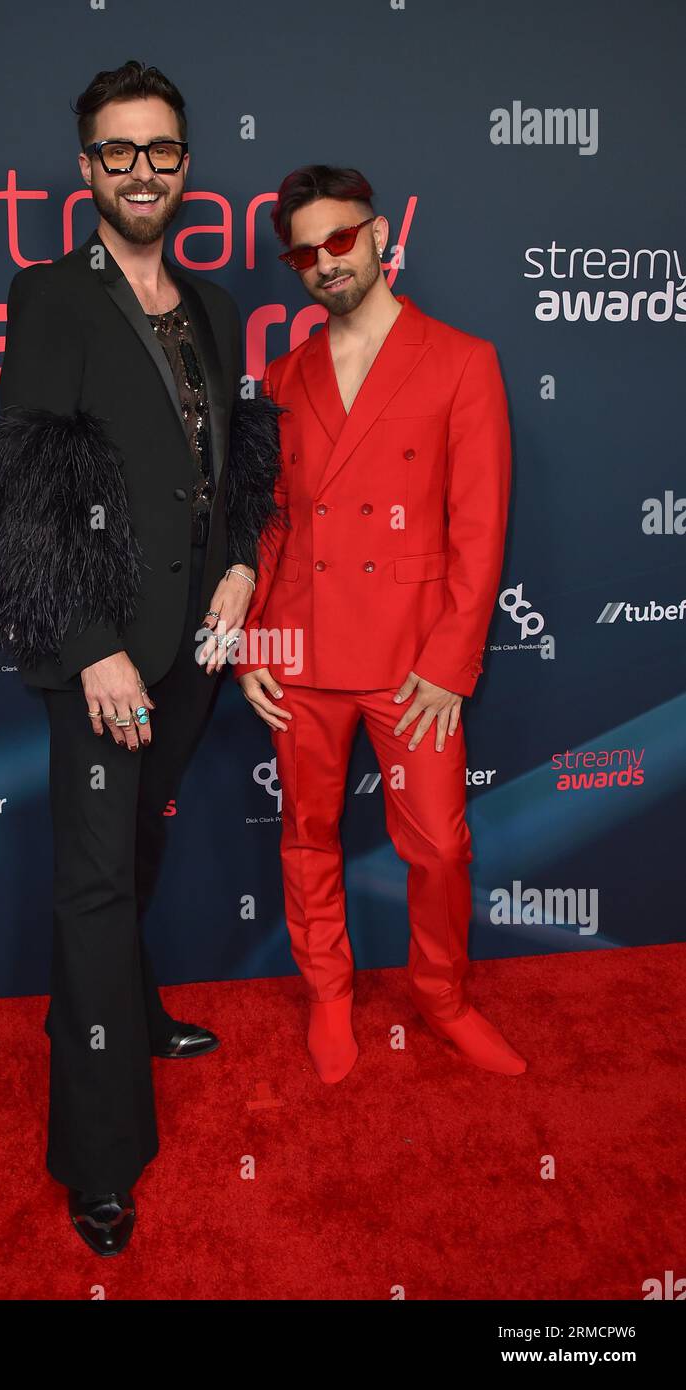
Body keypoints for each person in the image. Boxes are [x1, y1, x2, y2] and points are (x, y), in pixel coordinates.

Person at [0, 60, 280, 1255]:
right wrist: (91, 648)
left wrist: (244, 563)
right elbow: (23, 497)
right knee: (96, 889)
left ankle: (130, 1010)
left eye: (161, 150)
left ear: (185, 165)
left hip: (195, 645)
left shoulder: (202, 299)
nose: (141, 171)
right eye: (118, 152)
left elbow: (232, 452)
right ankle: (99, 1157)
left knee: (138, 852)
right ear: (87, 167)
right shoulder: (52, 294)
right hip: (101, 658)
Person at [234, 165, 526, 1084]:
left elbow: (478, 528)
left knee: (439, 845)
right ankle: (328, 993)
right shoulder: (281, 374)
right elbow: (270, 524)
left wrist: (450, 663)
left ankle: (442, 997)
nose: (324, 262)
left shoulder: (462, 360)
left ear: (378, 236)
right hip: (304, 649)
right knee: (306, 835)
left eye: (339, 239)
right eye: (303, 251)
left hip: (412, 662)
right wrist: (252, 648)